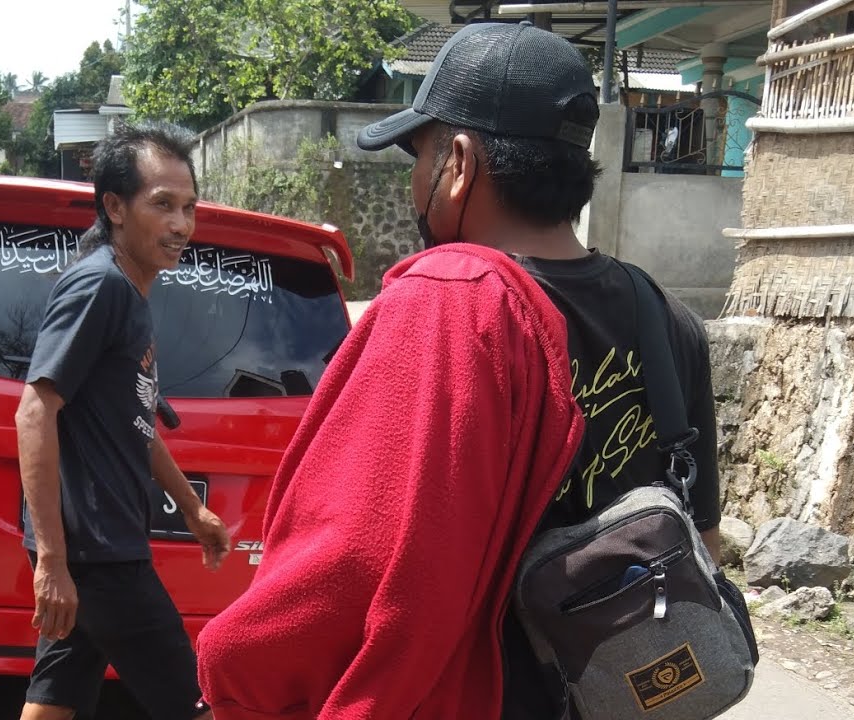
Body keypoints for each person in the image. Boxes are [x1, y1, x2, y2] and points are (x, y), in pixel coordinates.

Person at [195, 21, 722, 720]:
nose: (416, 181)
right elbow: (702, 540)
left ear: (461, 162)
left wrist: (228, 666)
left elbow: (343, 571)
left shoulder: (450, 303)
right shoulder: (668, 319)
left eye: (419, 155)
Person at [16, 121, 230, 720]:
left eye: (189, 207)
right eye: (162, 206)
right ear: (113, 206)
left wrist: (191, 508)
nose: (182, 225)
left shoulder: (127, 292)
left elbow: (134, 424)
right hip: (100, 555)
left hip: (94, 550)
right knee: (195, 706)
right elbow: (34, 411)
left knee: (54, 699)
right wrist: (53, 562)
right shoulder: (99, 288)